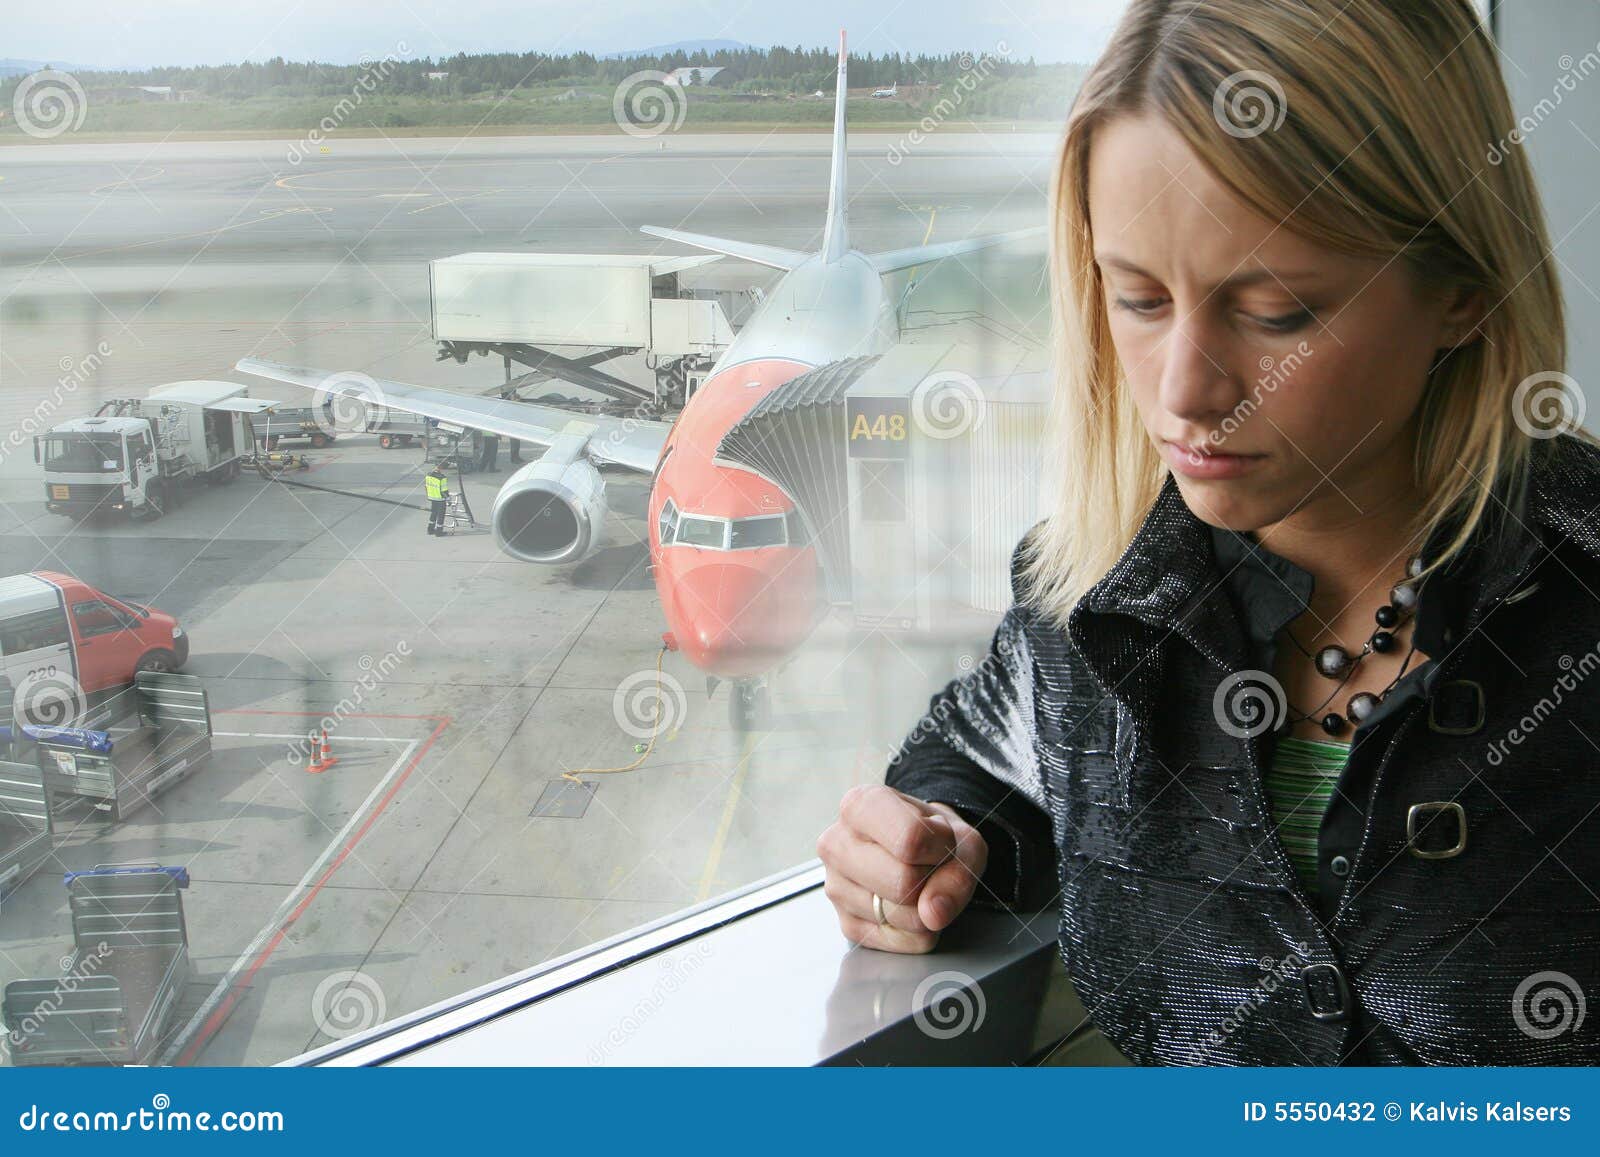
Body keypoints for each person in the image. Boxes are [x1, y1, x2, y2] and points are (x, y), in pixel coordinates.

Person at [818, 0, 1599, 1066]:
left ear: (1461, 291)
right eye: (1137, 300)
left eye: (1276, 312)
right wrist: (936, 843)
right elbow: (982, 758)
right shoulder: (1091, 596)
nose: (1185, 390)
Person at [424, 463, 450, 536]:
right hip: (440, 499)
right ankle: (439, 532)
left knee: (433, 513)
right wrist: (448, 498)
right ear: (442, 469)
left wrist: (428, 495)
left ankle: (430, 530)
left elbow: (426, 486)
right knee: (441, 515)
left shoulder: (428, 475)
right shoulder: (442, 478)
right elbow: (444, 491)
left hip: (432, 497)